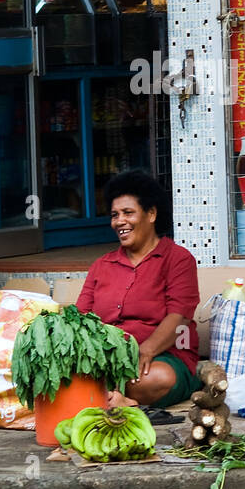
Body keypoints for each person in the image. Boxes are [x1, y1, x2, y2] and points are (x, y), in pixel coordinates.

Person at [77, 170, 203, 409]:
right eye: (114, 215)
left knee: (155, 379)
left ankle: (109, 395)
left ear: (151, 214)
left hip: (161, 356)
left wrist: (145, 351)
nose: (119, 221)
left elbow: (180, 315)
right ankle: (118, 398)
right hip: (105, 361)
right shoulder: (101, 265)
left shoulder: (177, 259)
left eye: (128, 213)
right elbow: (80, 316)